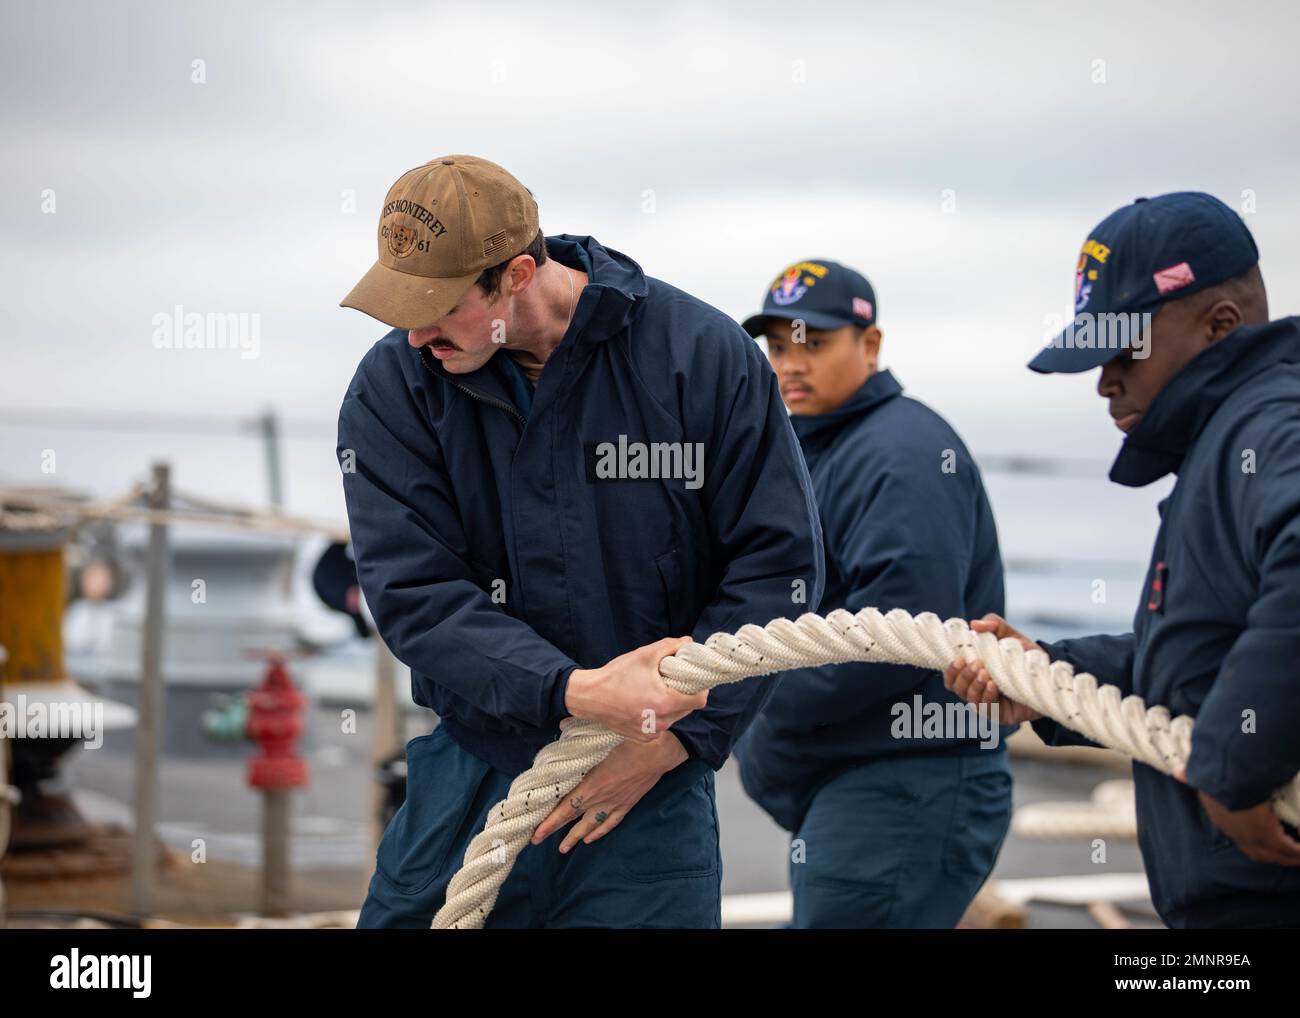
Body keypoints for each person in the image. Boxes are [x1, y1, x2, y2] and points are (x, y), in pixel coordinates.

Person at [337, 155, 824, 928]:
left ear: (519, 273)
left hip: (650, 794)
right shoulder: (394, 388)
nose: (415, 331)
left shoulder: (702, 358)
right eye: (401, 305)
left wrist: (676, 739)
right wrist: (575, 690)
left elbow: (778, 568)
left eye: (436, 305)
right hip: (472, 773)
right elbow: (415, 597)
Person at [945, 192, 1300, 928]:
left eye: (1122, 349)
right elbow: (1201, 657)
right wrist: (1047, 673)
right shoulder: (1231, 445)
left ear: (1220, 327)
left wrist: (1235, 771)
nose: (1104, 380)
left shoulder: (1267, 430)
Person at [735, 259, 1012, 928]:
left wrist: (736, 692)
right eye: (777, 346)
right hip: (857, 787)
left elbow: (898, 637)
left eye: (814, 343)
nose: (790, 364)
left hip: (904, 785)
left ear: (872, 345)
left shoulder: (901, 453)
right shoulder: (820, 448)